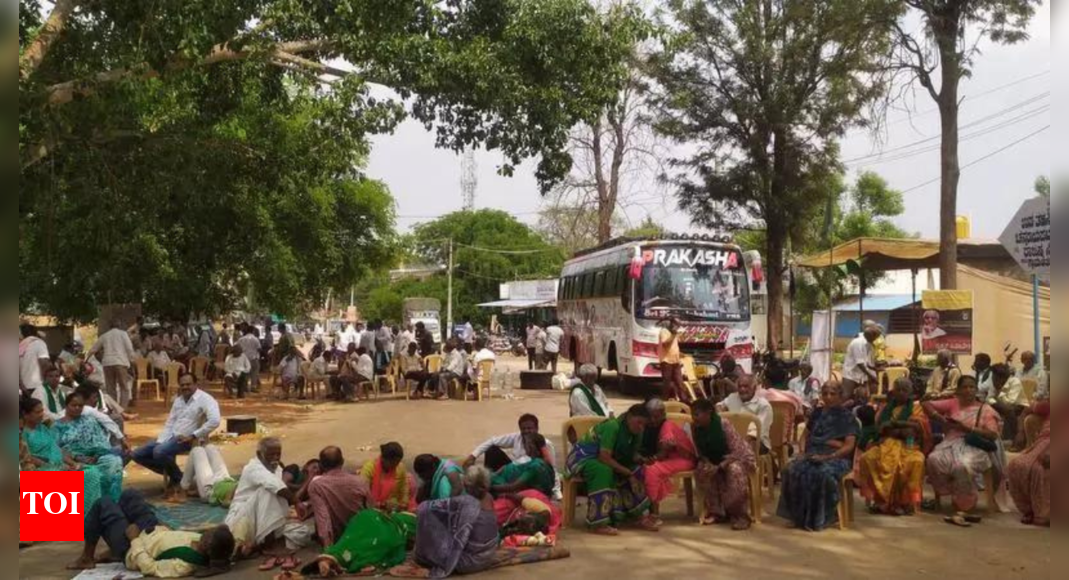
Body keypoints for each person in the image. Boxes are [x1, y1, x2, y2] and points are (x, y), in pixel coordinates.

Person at [67, 490, 234, 577]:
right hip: (152, 530)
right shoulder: (202, 541)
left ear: (209, 545)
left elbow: (149, 567)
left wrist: (134, 540)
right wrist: (163, 527)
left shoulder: (183, 564)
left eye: (211, 533)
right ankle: (114, 540)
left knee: (103, 503)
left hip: (131, 547)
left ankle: (87, 558)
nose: (209, 530)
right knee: (130, 495)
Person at [776, 381, 859, 532]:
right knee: (791, 469)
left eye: (832, 394)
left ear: (840, 396)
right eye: (825, 393)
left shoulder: (847, 417)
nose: (828, 397)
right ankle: (798, 516)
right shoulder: (817, 413)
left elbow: (849, 446)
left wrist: (829, 456)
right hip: (813, 453)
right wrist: (801, 453)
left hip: (837, 458)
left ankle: (821, 517)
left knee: (821, 473)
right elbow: (803, 436)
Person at [566, 403, 659, 534]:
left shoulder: (637, 432)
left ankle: (637, 516)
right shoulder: (613, 426)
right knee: (603, 470)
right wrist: (627, 473)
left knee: (639, 470)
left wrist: (642, 460)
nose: (641, 427)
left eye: (644, 425)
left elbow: (632, 455)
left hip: (608, 458)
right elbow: (604, 456)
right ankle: (598, 523)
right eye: (639, 423)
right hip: (586, 457)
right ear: (629, 417)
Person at [923, 376, 1003, 527]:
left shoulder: (985, 409)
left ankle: (965, 504)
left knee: (961, 465)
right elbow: (925, 404)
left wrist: (968, 428)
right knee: (933, 459)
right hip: (950, 443)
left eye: (972, 387)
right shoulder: (953, 403)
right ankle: (948, 492)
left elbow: (993, 434)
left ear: (976, 390)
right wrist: (938, 417)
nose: (968, 390)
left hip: (973, 445)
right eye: (965, 387)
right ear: (958, 390)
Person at [393, 466, 500, 578]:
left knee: (427, 517)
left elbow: (424, 508)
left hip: (468, 562)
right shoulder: (489, 497)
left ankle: (421, 555)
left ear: (466, 485)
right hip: (488, 556)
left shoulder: (466, 503)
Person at [131, 374, 221, 501]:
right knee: (136, 454)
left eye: (188, 384)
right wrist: (161, 440)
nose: (185, 387)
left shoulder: (206, 399)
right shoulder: (179, 400)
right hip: (171, 437)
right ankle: (179, 477)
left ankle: (176, 479)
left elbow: (215, 421)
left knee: (159, 452)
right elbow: (170, 422)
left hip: (190, 439)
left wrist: (193, 435)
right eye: (182, 385)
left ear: (196, 384)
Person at [21, 397, 114, 517]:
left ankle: (90, 517)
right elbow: (28, 457)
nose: (41, 414)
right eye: (37, 412)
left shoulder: (43, 428)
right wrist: (54, 467)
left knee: (91, 471)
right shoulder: (22, 433)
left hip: (58, 464)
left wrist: (72, 463)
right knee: (76, 477)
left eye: (42, 411)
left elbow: (56, 449)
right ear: (26, 414)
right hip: (41, 468)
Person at [226, 438, 313, 560]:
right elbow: (275, 486)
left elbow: (283, 490)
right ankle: (268, 545)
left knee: (303, 532)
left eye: (278, 454)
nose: (276, 457)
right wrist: (297, 502)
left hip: (262, 524)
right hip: (242, 521)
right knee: (268, 491)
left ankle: (255, 546)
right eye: (271, 454)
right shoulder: (253, 468)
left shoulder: (277, 468)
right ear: (259, 454)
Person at [858, 378, 932, 516]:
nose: (901, 393)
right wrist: (902, 426)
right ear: (893, 391)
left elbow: (916, 429)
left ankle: (905, 503)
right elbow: (880, 428)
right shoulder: (885, 408)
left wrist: (895, 424)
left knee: (914, 461)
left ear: (910, 393)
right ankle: (880, 501)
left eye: (905, 390)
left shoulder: (916, 408)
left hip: (909, 445)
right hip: (886, 443)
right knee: (868, 458)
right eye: (898, 390)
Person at [691, 398, 756, 530]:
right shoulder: (696, 428)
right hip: (714, 460)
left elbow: (738, 450)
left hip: (736, 458)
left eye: (697, 414)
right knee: (703, 469)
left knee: (735, 470)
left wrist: (721, 465)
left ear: (708, 412)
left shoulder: (723, 424)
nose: (694, 418)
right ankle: (717, 512)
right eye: (693, 414)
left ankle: (740, 515)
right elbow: (700, 452)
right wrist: (708, 463)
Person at [55, 392, 125, 510]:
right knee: (89, 472)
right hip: (72, 458)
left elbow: (101, 442)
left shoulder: (89, 421)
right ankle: (91, 508)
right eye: (74, 405)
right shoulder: (58, 425)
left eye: (80, 406)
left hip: (97, 455)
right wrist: (76, 457)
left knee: (114, 461)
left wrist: (97, 455)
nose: (77, 408)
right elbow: (56, 448)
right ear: (66, 406)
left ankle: (112, 503)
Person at [311, 509, 417, 577]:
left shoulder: (405, 515)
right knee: (366, 547)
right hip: (388, 528)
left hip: (368, 514)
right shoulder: (418, 522)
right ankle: (333, 559)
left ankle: (331, 557)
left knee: (352, 538)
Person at [641, 398, 696, 525]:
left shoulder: (667, 426)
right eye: (650, 417)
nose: (653, 420)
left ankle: (654, 514)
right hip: (670, 459)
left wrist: (650, 459)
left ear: (663, 415)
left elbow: (663, 453)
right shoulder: (648, 426)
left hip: (684, 459)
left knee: (651, 469)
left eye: (656, 416)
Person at [307, 446, 370, 547]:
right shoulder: (361, 481)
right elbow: (372, 511)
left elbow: (323, 521)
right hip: (361, 537)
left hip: (338, 542)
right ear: (342, 461)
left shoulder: (316, 486)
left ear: (321, 465)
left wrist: (329, 551)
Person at [1007, 400, 1050, 527]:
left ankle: (1045, 513)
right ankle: (1029, 509)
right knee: (1017, 465)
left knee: (1041, 469)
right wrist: (1020, 432)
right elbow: (1026, 411)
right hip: (1044, 442)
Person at [465, 414, 558, 472]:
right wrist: (473, 455)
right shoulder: (517, 437)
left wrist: (556, 493)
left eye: (530, 428)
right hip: (516, 471)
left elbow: (552, 467)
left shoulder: (546, 444)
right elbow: (492, 441)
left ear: (537, 429)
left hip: (533, 474)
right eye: (523, 429)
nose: (526, 431)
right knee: (492, 450)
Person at [717, 375, 774, 454]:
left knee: (748, 446)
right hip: (734, 440)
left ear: (754, 388)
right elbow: (719, 406)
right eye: (740, 386)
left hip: (757, 442)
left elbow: (756, 432)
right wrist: (720, 413)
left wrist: (738, 444)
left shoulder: (763, 405)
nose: (742, 389)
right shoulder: (733, 397)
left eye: (746, 386)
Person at [88, 319, 137, 407]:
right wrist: (132, 361)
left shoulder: (105, 335)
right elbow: (129, 349)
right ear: (120, 325)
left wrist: (85, 360)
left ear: (109, 327)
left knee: (110, 387)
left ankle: (114, 408)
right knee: (124, 387)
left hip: (107, 363)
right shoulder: (123, 334)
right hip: (120, 362)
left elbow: (93, 349)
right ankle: (122, 409)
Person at [488, 434, 556, 497]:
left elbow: (513, 487)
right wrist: (497, 473)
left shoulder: (536, 466)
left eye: (526, 444)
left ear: (531, 447)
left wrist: (490, 488)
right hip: (501, 477)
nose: (525, 447)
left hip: (503, 483)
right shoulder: (541, 462)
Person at [360, 442, 418, 512]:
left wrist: (403, 504)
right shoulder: (369, 469)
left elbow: (404, 488)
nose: (395, 466)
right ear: (383, 459)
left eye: (398, 462)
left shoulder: (400, 468)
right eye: (393, 463)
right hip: (372, 507)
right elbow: (363, 494)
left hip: (393, 507)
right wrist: (382, 505)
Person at [842, 326, 880, 400]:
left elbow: (865, 362)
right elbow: (860, 363)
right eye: (875, 338)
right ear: (871, 336)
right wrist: (871, 376)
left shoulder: (867, 343)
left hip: (860, 374)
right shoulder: (858, 343)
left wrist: (874, 368)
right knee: (846, 395)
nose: (875, 340)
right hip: (851, 374)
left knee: (861, 397)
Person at [19, 323, 52, 397]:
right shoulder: (39, 343)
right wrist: (46, 381)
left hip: (24, 387)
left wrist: (22, 386)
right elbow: (44, 363)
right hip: (38, 385)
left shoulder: (20, 346)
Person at [658, 318, 686, 402]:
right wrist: (673, 335)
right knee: (667, 383)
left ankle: (684, 401)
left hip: (676, 361)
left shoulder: (675, 333)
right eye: (675, 324)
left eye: (678, 325)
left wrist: (683, 334)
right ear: (671, 324)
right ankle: (665, 401)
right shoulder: (664, 331)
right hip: (666, 361)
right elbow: (665, 343)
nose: (676, 327)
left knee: (680, 382)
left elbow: (681, 340)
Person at [237, 326, 263, 393]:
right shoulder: (255, 339)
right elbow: (259, 349)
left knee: (245, 373)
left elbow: (237, 348)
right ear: (253, 331)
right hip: (253, 358)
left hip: (244, 359)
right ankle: (253, 386)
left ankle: (245, 386)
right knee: (254, 372)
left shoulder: (241, 339)